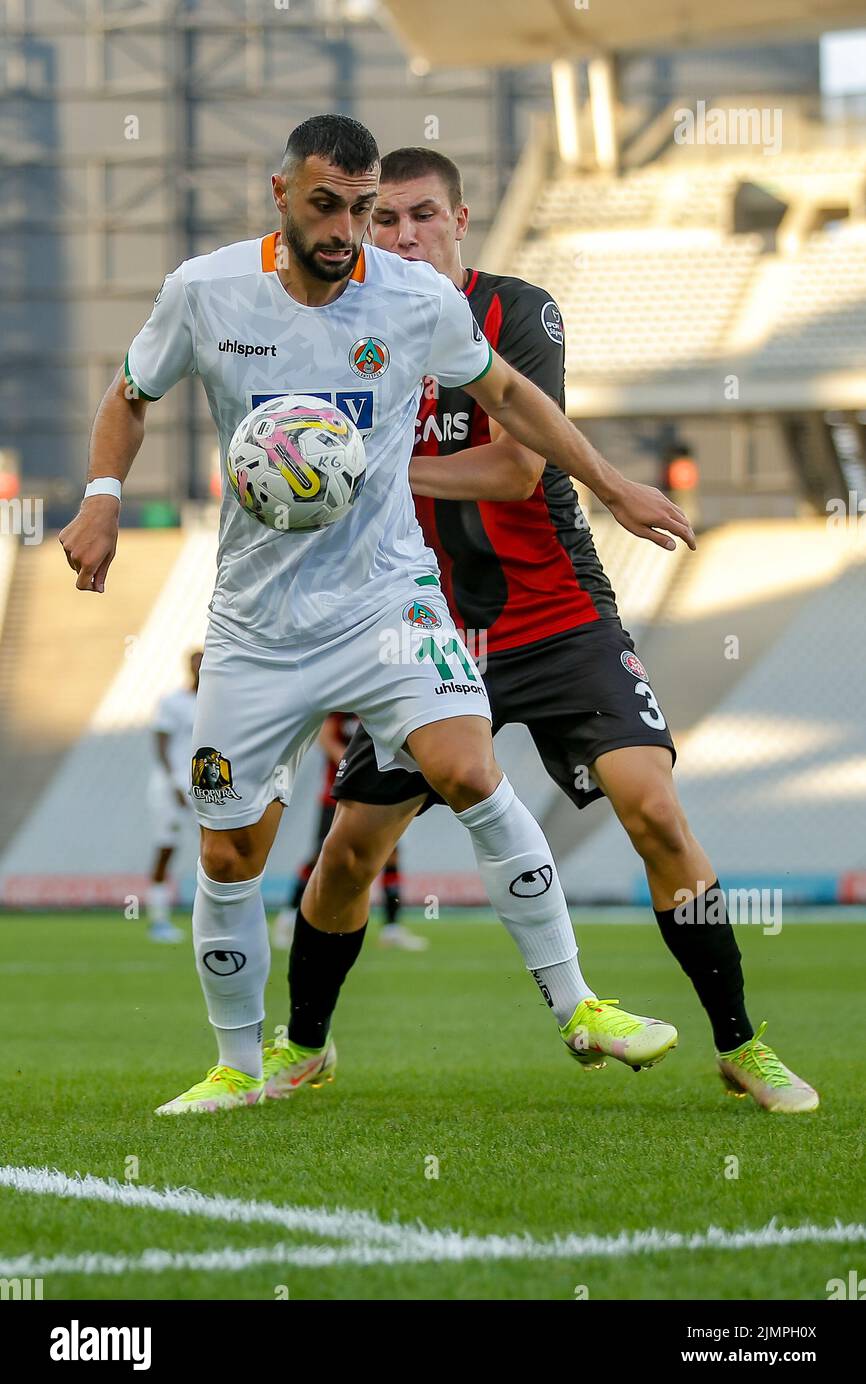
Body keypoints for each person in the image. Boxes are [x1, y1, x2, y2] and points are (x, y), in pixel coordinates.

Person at [59, 115, 693, 1117]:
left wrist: (609, 483)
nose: (347, 228)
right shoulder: (205, 290)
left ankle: (578, 1005)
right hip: (258, 624)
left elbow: (510, 393)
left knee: (467, 767)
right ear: (281, 194)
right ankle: (237, 1063)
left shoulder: (412, 297)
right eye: (327, 205)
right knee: (231, 850)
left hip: (388, 599)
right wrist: (101, 494)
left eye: (361, 208)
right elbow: (130, 393)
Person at [281, 146, 817, 1115]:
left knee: (652, 807)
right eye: (384, 220)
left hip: (556, 614)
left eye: (421, 216)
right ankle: (303, 1046)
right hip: (426, 634)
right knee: (347, 853)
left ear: (461, 221)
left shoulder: (518, 313)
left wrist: (362, 468)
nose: (402, 236)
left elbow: (510, 473)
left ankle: (741, 1044)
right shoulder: (344, 334)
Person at [272, 713, 425, 951]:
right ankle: (289, 916)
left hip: (377, 795)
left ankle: (392, 928)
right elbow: (325, 739)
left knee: (391, 854)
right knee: (321, 856)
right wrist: (356, 764)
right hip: (337, 795)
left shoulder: (379, 706)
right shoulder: (342, 707)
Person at [145, 649, 202, 943]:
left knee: (216, 850)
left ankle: (215, 922)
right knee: (167, 848)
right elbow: (162, 743)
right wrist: (173, 783)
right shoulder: (172, 702)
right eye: (197, 663)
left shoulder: (219, 702)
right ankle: (158, 921)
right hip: (171, 787)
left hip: (205, 785)